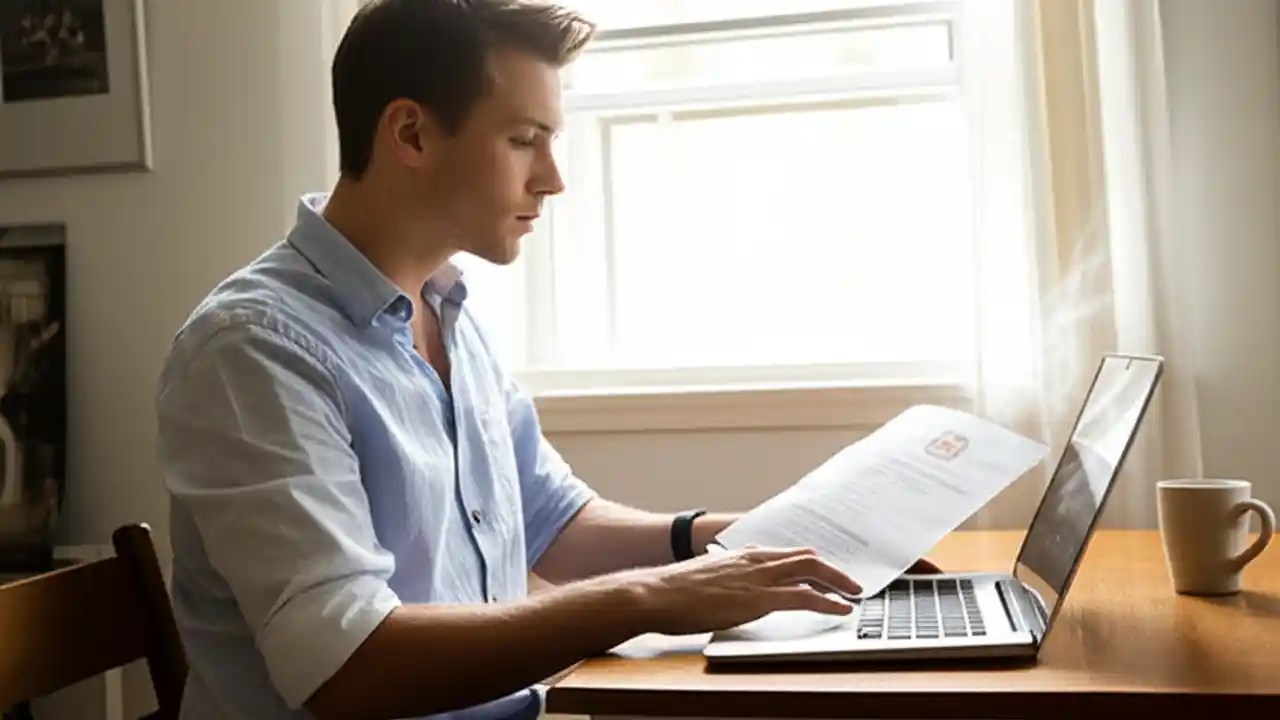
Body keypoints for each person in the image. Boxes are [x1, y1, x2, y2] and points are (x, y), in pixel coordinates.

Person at [155, 2, 937, 719]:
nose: (553, 178)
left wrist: (758, 546)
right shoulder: (253, 350)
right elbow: (344, 664)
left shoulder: (446, 310)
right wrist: (653, 597)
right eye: (524, 140)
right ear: (411, 134)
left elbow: (550, 522)